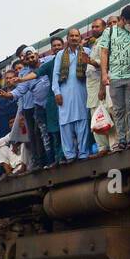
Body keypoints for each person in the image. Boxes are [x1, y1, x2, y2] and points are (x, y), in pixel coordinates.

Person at [98, 5, 130, 148]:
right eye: (129, 22)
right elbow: (104, 53)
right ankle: (122, 139)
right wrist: (104, 74)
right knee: (118, 110)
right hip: (115, 77)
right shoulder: (109, 32)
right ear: (122, 19)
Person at [50, 27, 92, 162]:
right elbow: (56, 75)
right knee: (65, 124)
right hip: (64, 95)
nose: (74, 38)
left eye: (76, 36)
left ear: (80, 38)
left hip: (81, 93)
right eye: (71, 36)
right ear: (67, 39)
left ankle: (83, 153)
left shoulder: (86, 52)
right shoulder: (61, 55)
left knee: (82, 123)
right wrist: (57, 92)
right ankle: (70, 155)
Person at [83, 18, 118, 155]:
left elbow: (105, 62)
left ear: (104, 27)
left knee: (107, 115)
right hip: (92, 89)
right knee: (96, 118)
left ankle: (111, 145)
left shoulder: (105, 40)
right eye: (93, 27)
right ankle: (102, 148)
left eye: (97, 26)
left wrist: (90, 61)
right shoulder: (95, 43)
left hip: (101, 86)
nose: (94, 29)